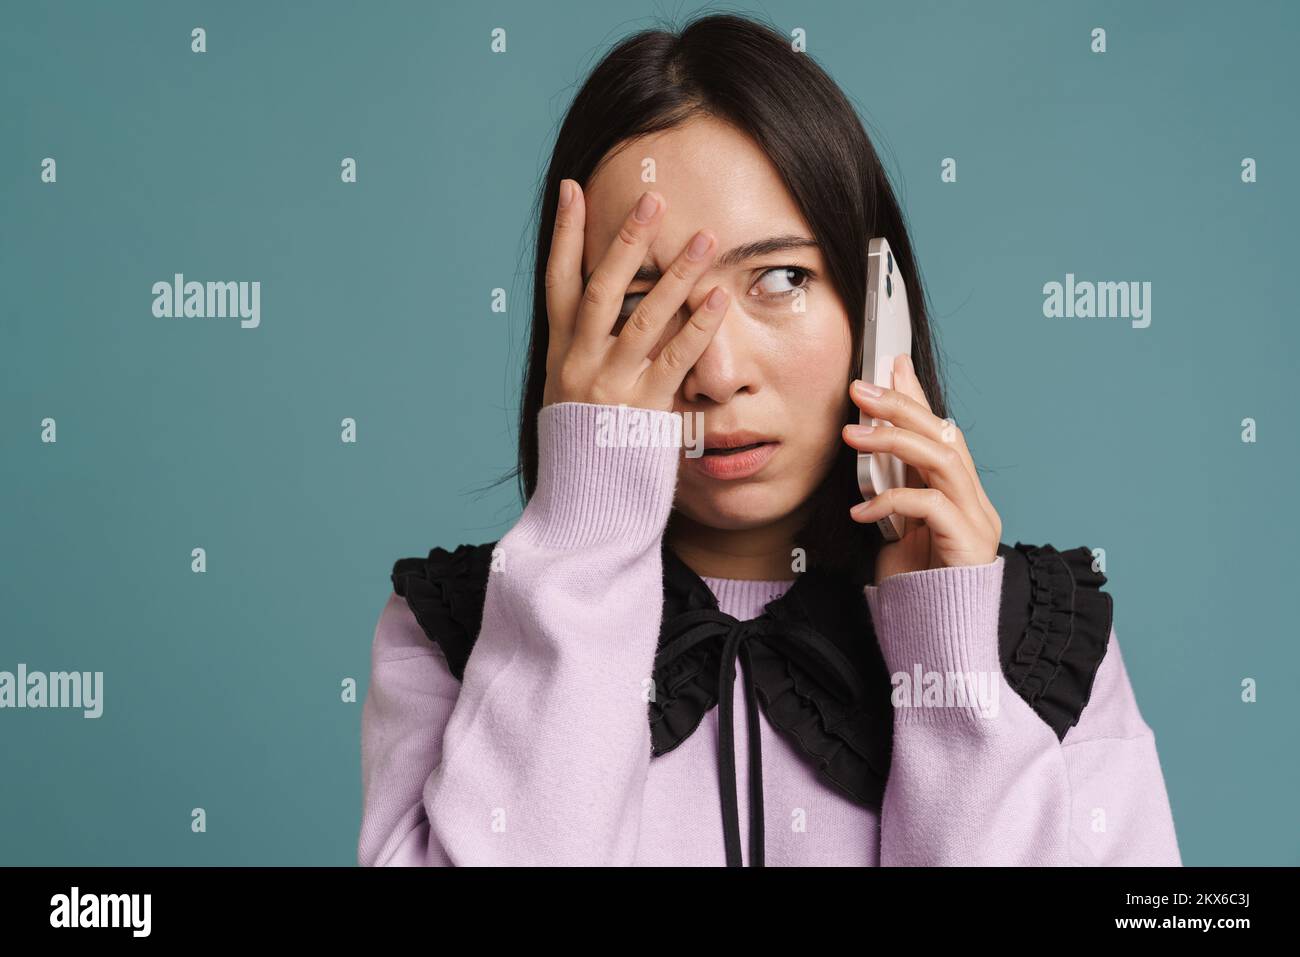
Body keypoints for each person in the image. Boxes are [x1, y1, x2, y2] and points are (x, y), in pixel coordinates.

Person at [357, 12, 1181, 866]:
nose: (716, 370)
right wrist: (584, 540)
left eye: (782, 279)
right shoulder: (449, 635)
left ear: (872, 304)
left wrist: (951, 660)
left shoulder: (1043, 641)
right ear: (570, 338)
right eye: (644, 304)